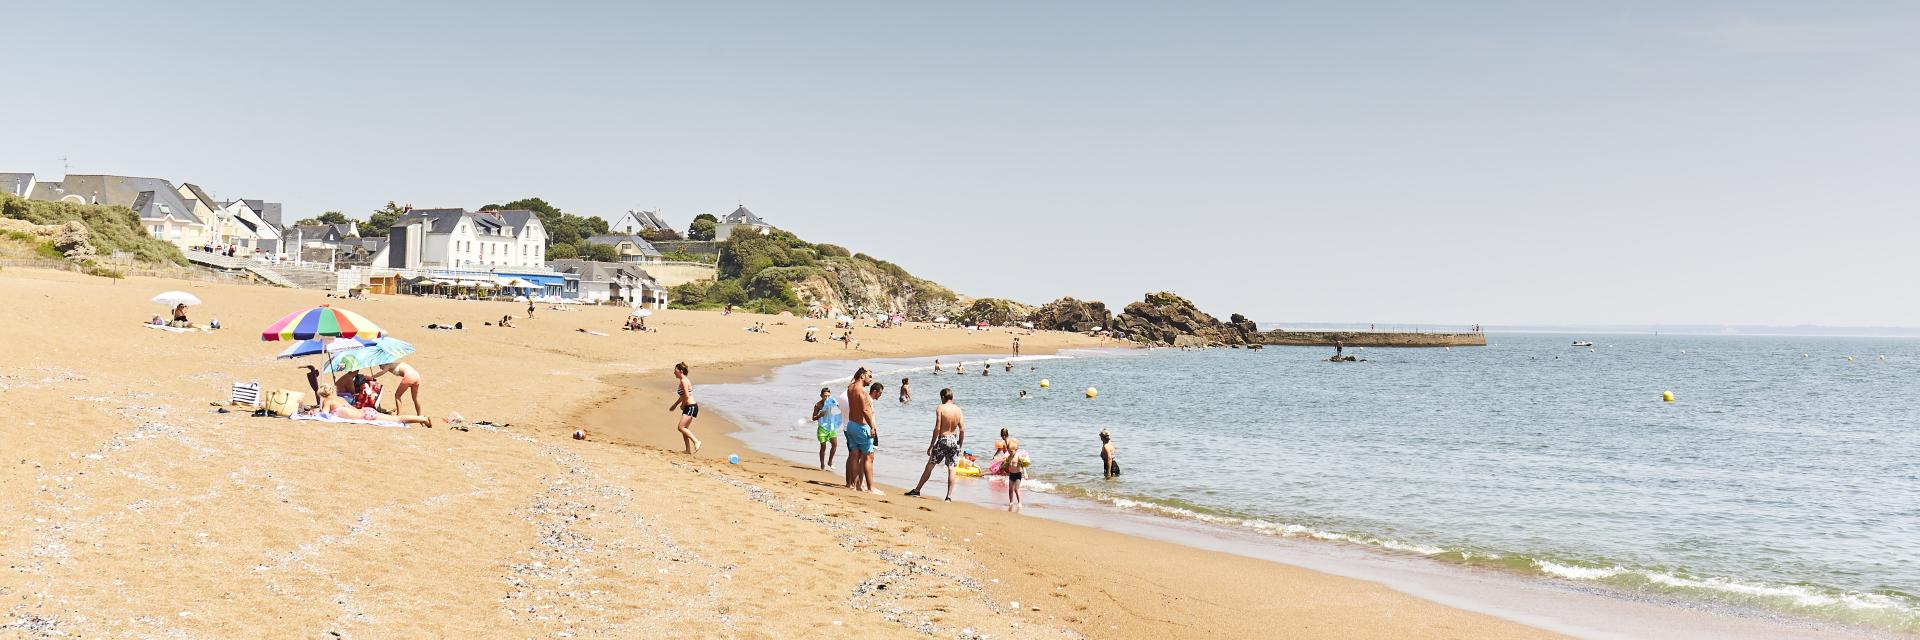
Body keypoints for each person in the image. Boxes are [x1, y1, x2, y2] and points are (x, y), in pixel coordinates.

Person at [905, 388, 965, 501]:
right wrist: (960, 446)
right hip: (954, 441)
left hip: (943, 440)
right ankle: (948, 497)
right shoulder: (958, 410)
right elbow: (962, 430)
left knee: (930, 466)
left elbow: (937, 428)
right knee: (952, 469)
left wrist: (931, 445)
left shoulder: (940, 408)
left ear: (943, 397)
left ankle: (917, 490)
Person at [842, 367, 880, 494]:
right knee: (868, 457)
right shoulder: (862, 392)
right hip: (861, 426)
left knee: (854, 455)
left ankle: (855, 485)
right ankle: (871, 488)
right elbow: (865, 411)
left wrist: (860, 371)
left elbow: (854, 379)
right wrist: (872, 427)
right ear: (862, 376)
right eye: (869, 376)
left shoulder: (850, 388)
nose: (871, 379)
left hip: (851, 425)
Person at [315, 387, 432, 426]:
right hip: (366, 411)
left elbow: (324, 415)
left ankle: (422, 419)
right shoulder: (340, 399)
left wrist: (314, 412)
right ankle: (422, 418)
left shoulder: (327, 401)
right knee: (396, 419)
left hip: (364, 416)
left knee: (396, 420)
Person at [668, 362, 701, 454]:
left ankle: (696, 441)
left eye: (675, 371)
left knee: (680, 427)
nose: (674, 372)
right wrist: (675, 405)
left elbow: (686, 396)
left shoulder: (683, 381)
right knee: (684, 429)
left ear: (681, 371)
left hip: (691, 406)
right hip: (689, 406)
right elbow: (683, 396)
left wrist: (682, 405)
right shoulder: (683, 380)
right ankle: (687, 450)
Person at [812, 387, 842, 471]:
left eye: (828, 396)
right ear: (821, 396)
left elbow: (841, 408)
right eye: (825, 396)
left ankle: (830, 462)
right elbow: (813, 418)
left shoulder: (832, 402)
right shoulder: (818, 405)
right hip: (822, 428)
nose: (827, 398)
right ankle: (822, 464)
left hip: (831, 427)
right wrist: (819, 416)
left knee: (835, 444)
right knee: (823, 447)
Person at [1005, 429, 1025, 512]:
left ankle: (1020, 502)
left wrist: (1025, 473)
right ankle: (1011, 502)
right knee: (1010, 489)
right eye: (1008, 450)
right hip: (1011, 475)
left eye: (1011, 451)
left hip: (1017, 475)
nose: (1010, 452)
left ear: (1016, 449)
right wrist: (1006, 468)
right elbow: (1007, 465)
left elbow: (1023, 465)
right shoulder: (1009, 457)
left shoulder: (1018, 456)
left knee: (1016, 489)